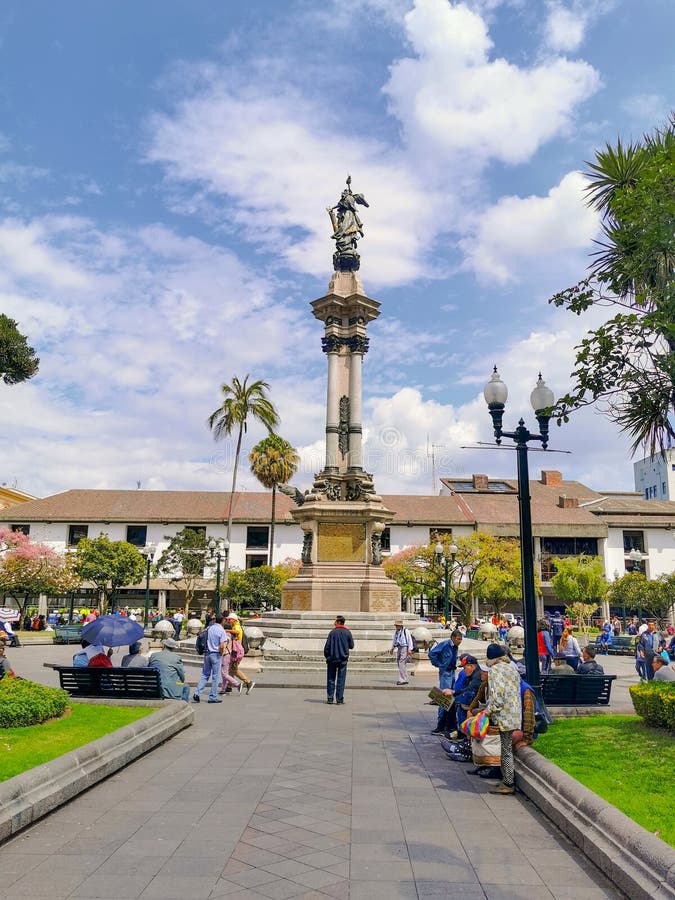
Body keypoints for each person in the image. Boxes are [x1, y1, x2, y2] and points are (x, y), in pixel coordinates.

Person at [483, 643, 522, 795]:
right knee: (506, 748)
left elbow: (497, 695)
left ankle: (508, 783)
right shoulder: (512, 668)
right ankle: (506, 779)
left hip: (503, 715)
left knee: (505, 750)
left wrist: (488, 710)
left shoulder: (495, 670)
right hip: (514, 713)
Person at [429, 629, 462, 735]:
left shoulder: (455, 646)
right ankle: (440, 725)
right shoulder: (445, 644)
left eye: (461, 639)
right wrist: (439, 664)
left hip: (452, 672)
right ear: (452, 637)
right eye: (458, 639)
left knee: (451, 698)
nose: (459, 641)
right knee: (444, 698)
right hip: (446, 673)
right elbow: (432, 654)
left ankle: (447, 723)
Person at [193, 613, 228, 703]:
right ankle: (212, 697)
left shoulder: (210, 628)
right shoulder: (222, 631)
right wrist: (220, 654)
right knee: (216, 676)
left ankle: (197, 693)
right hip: (216, 654)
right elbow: (221, 646)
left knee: (205, 675)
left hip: (207, 653)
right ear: (223, 621)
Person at [324, 615, 354, 705]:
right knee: (341, 679)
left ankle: (330, 698)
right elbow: (351, 646)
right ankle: (339, 699)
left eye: (335, 621)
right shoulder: (347, 632)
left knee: (330, 679)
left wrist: (327, 657)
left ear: (338, 622)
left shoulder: (332, 633)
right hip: (343, 659)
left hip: (332, 659)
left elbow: (327, 647)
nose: (334, 623)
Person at [224, 613, 255, 695]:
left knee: (234, 669)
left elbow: (237, 632)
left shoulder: (236, 625)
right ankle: (229, 687)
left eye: (229, 619)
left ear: (234, 619)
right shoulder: (235, 625)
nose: (228, 620)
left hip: (237, 652)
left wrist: (227, 630)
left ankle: (248, 682)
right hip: (237, 651)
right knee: (231, 669)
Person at [389, 618, 414, 685]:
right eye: (396, 625)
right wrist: (392, 648)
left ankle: (402, 679)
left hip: (404, 648)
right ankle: (405, 678)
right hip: (399, 648)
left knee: (401, 663)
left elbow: (409, 640)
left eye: (397, 625)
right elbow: (395, 640)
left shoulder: (406, 631)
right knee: (400, 663)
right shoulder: (397, 632)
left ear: (400, 626)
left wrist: (410, 649)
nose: (396, 627)